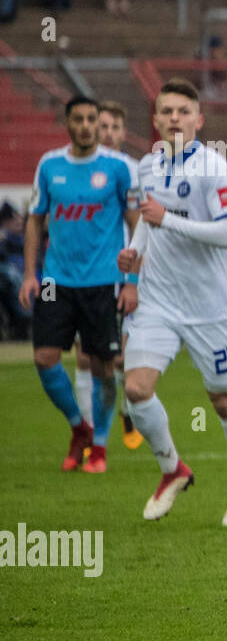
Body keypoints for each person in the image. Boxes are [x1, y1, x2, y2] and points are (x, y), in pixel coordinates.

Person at [117, 77, 227, 526]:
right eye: (166, 111)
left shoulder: (214, 168)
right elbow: (147, 221)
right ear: (155, 120)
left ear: (198, 119)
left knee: (223, 401)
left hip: (206, 307)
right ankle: (172, 469)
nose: (174, 118)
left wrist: (166, 221)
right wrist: (134, 256)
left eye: (183, 111)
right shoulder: (147, 168)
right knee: (136, 389)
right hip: (157, 301)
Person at [19, 96, 139, 474]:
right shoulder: (50, 165)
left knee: (102, 368)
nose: (86, 126)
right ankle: (79, 427)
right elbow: (36, 220)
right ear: (67, 123)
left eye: (92, 119)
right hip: (56, 281)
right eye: (80, 119)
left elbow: (138, 225)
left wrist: (132, 282)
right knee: (44, 357)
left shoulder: (119, 168)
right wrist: (29, 274)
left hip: (103, 283)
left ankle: (99, 445)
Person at [95, 98, 145, 450]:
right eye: (104, 126)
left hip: (122, 275)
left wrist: (135, 277)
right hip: (88, 277)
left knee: (119, 358)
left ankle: (127, 412)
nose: (109, 133)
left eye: (115, 127)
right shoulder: (75, 166)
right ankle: (91, 434)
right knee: (89, 360)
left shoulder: (133, 169)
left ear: (123, 132)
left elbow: (139, 223)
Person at [1, 201, 32, 339]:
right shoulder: (4, 240)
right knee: (14, 278)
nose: (19, 224)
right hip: (12, 280)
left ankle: (50, 318)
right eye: (15, 221)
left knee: (50, 284)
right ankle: (24, 320)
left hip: (35, 279)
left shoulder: (26, 239)